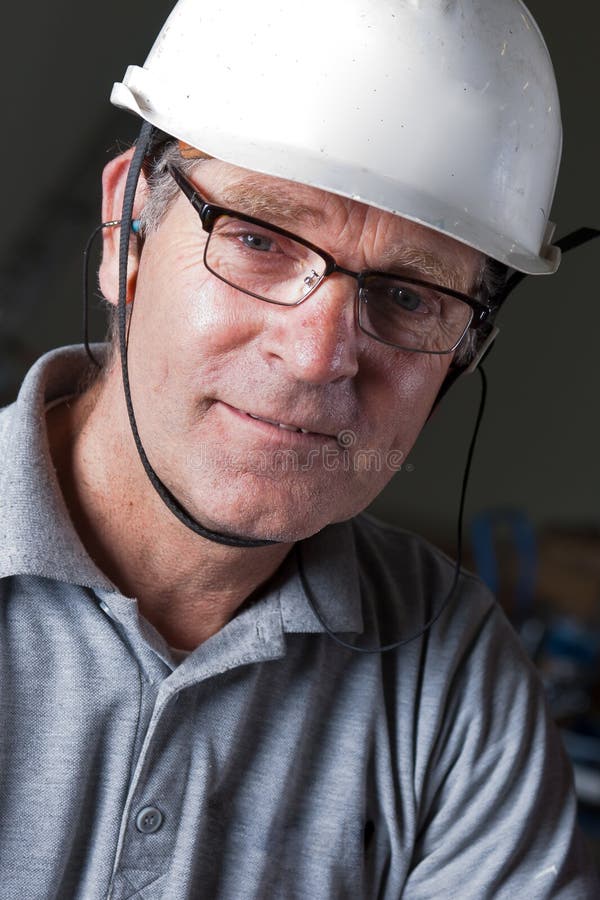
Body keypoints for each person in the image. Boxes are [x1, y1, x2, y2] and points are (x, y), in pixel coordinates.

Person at [0, 0, 598, 896]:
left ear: (466, 356)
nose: (318, 354)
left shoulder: (455, 682)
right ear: (126, 231)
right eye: (257, 239)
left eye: (407, 297)